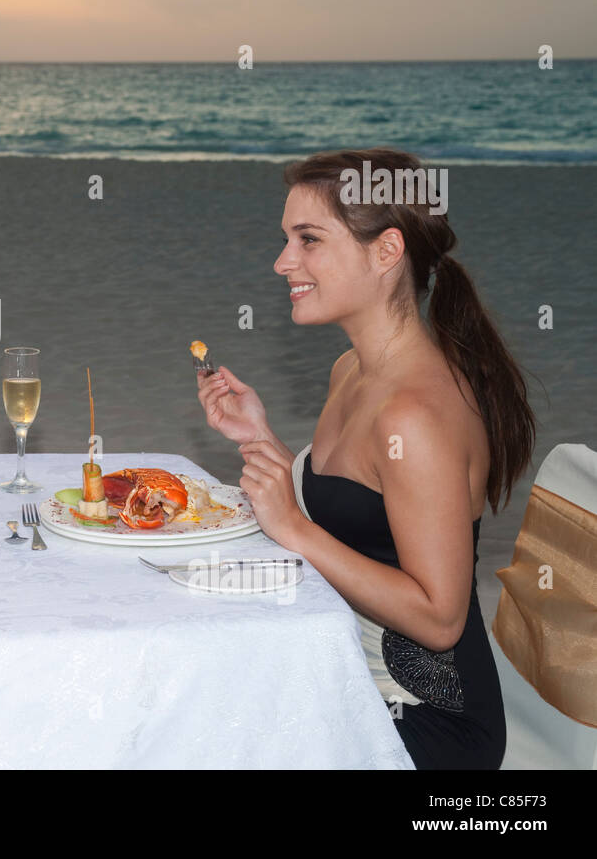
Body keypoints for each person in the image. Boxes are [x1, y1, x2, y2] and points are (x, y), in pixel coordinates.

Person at [197, 148, 534, 769]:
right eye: (285, 240)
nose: (283, 262)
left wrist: (292, 530)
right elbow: (351, 513)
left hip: (423, 724)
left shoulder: (415, 415)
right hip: (345, 669)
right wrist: (259, 439)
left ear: (385, 252)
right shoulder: (352, 369)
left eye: (308, 241)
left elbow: (439, 619)